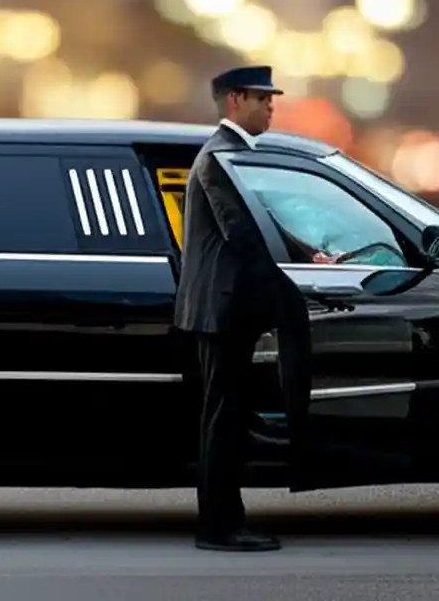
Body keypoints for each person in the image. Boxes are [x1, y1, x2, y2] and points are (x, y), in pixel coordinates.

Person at [174, 65, 310, 552]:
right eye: (262, 98)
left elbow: (261, 226)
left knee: (226, 417)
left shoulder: (231, 156)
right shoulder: (221, 158)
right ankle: (218, 526)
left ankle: (227, 519)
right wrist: (292, 286)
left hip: (227, 308)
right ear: (235, 100)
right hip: (223, 309)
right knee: (222, 420)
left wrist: (311, 255)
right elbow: (246, 235)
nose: (271, 106)